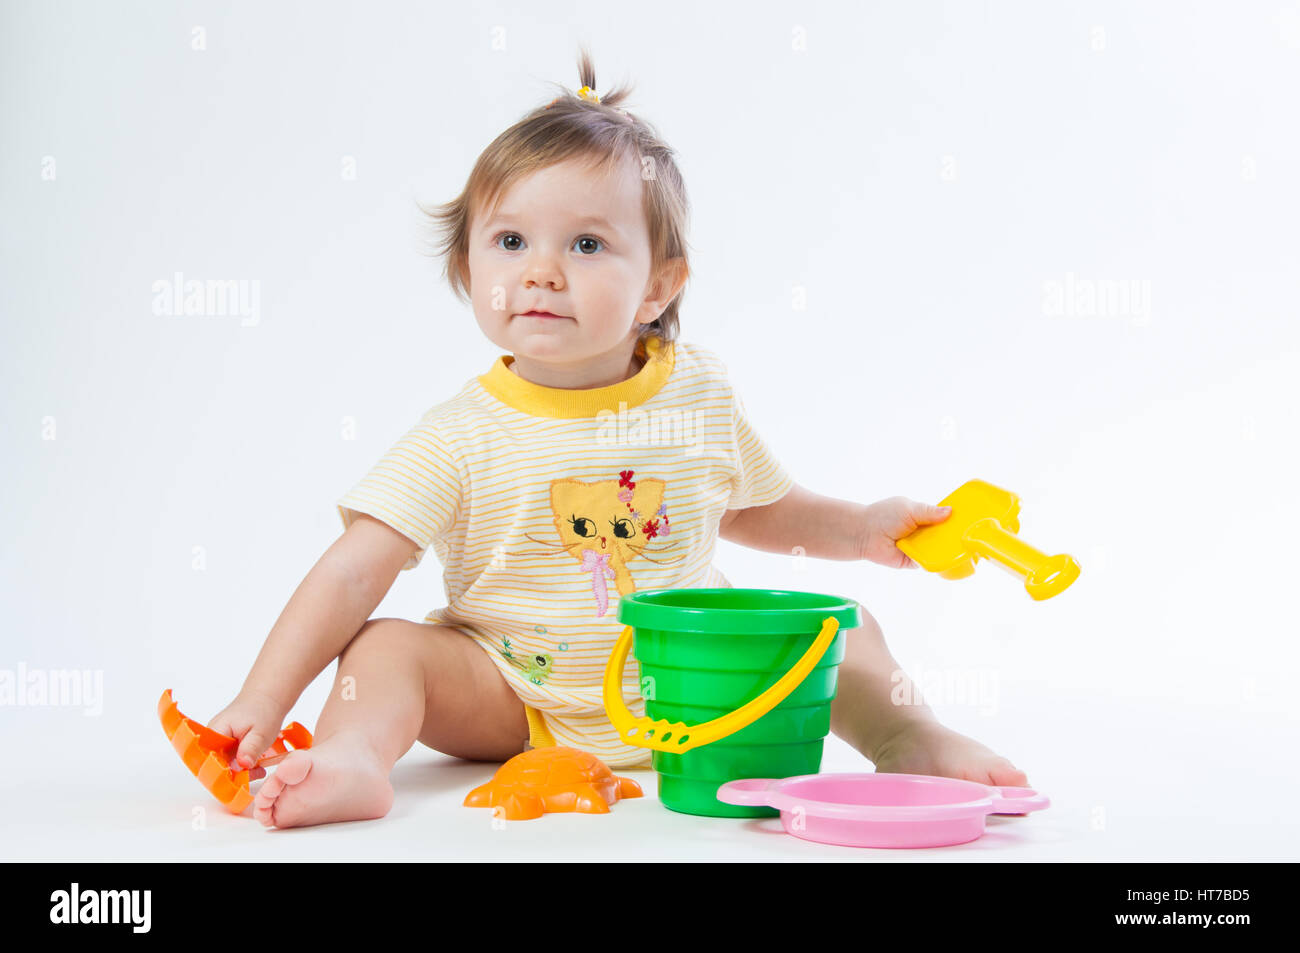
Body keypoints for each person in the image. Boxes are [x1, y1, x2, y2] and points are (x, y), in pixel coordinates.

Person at [209, 49, 1030, 829]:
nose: (541, 270)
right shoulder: (458, 436)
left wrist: (859, 527)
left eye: (588, 244)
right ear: (468, 265)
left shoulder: (697, 393)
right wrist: (259, 702)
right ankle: (352, 758)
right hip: (509, 694)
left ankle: (907, 738)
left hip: (700, 685)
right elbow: (353, 570)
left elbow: (760, 507)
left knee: (842, 624)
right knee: (387, 646)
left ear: (658, 286)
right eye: (510, 241)